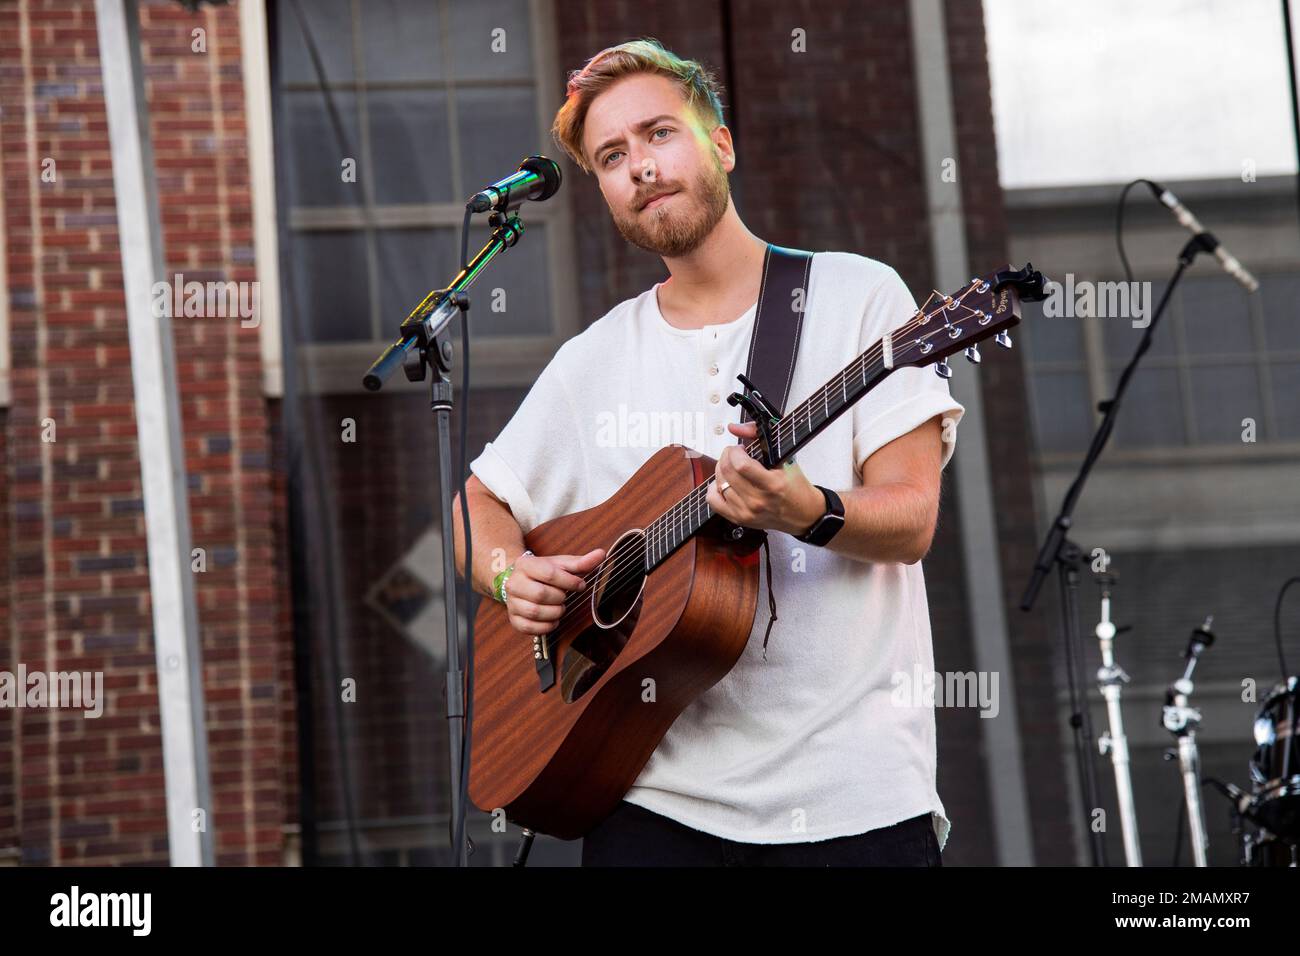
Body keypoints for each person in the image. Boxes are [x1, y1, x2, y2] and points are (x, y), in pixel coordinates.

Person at [453, 38, 963, 867]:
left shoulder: (860, 298)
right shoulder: (594, 359)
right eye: (612, 156)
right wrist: (511, 574)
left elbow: (911, 521)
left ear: (720, 143)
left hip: (854, 801)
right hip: (651, 807)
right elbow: (476, 507)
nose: (640, 167)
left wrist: (809, 510)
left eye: (659, 134)